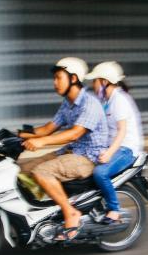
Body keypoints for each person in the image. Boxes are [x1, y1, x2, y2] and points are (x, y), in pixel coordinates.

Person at [17, 57, 110, 240]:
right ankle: (44, 211)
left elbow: (75, 133)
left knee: (42, 171)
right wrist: (18, 135)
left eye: (58, 78)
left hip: (88, 158)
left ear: (73, 79)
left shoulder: (89, 103)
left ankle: (70, 212)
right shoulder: (68, 103)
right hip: (70, 152)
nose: (55, 83)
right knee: (22, 170)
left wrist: (42, 142)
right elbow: (47, 128)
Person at [85, 61, 144, 224]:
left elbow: (122, 131)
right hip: (115, 146)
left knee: (100, 173)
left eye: (95, 81)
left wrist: (109, 153)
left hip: (126, 150)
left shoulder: (120, 100)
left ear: (104, 82)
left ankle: (114, 209)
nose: (93, 85)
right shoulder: (108, 100)